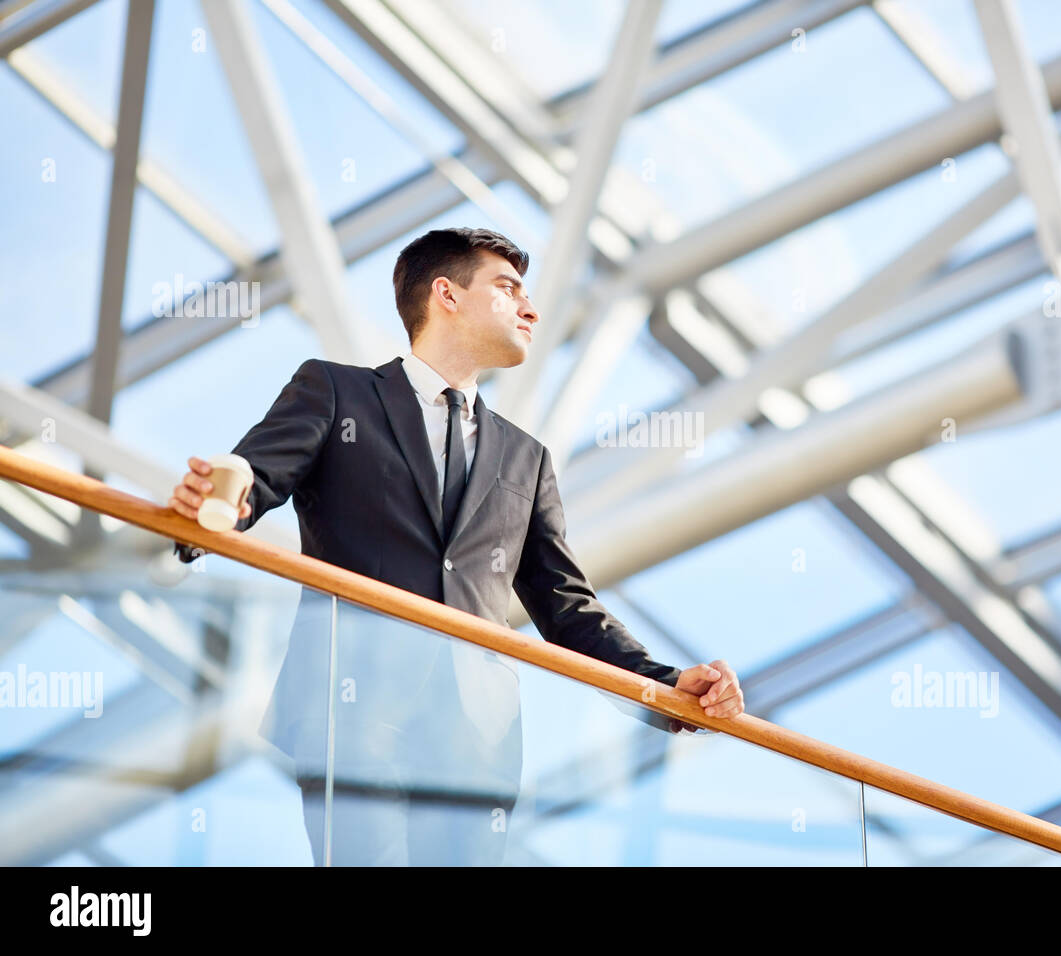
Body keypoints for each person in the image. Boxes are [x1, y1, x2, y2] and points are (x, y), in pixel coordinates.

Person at [167, 227, 744, 865]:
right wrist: (217, 504)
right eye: (508, 288)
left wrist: (663, 685)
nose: (530, 308)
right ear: (446, 294)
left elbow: (565, 606)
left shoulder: (526, 458)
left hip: (478, 742)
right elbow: (256, 477)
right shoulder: (337, 392)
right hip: (353, 712)